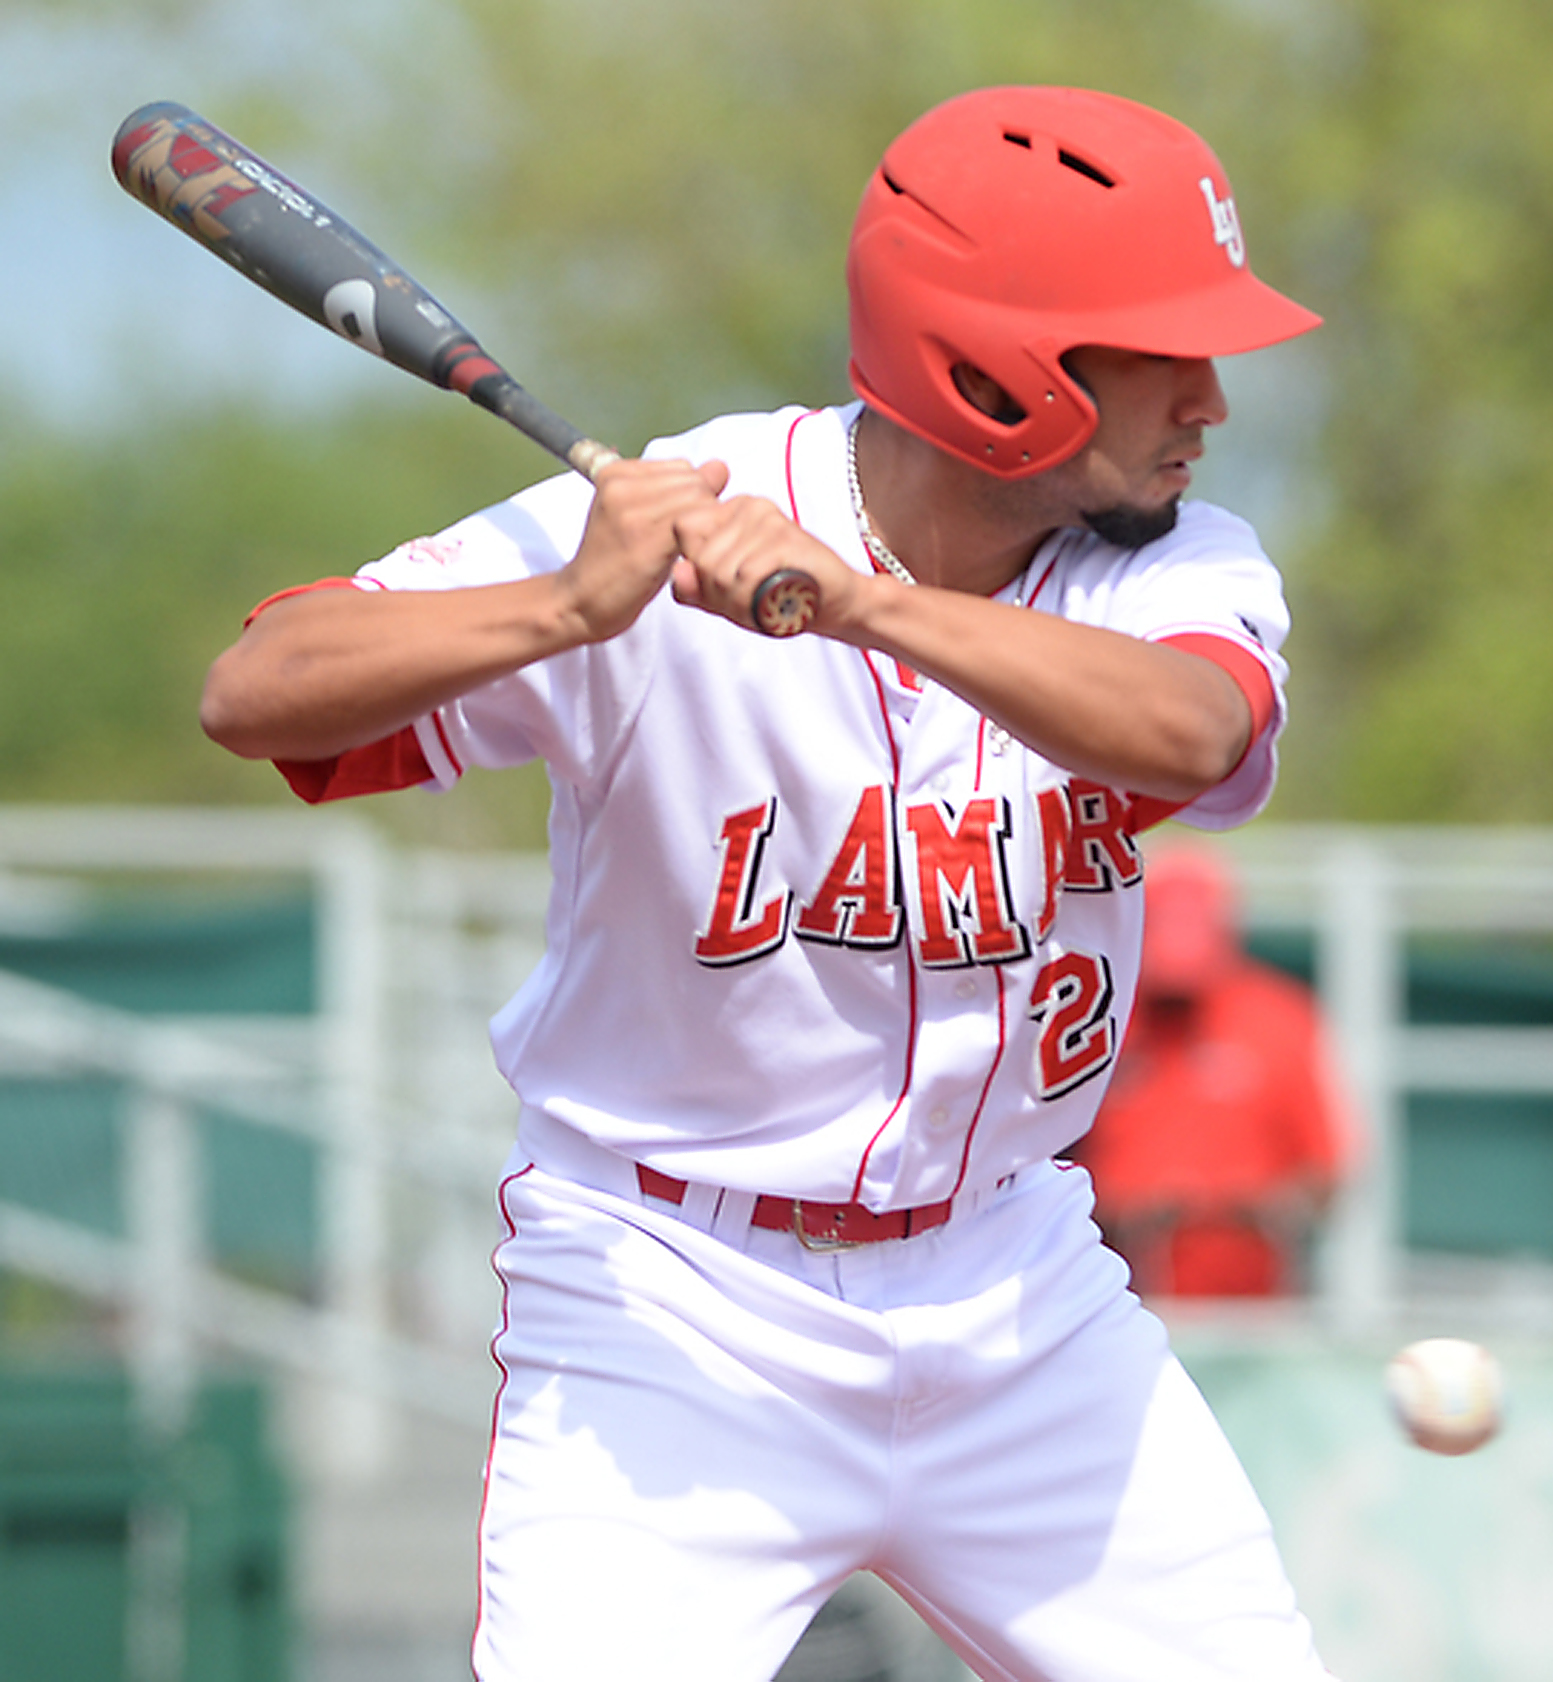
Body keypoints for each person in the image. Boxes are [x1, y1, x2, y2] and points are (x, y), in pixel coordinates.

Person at [200, 87, 1334, 1681]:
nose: (1211, 397)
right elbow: (260, 689)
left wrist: (861, 605)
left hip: (1015, 1290)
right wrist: (568, 608)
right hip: (675, 1306)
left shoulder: (1168, 561)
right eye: (1161, 348)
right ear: (1001, 365)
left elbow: (1190, 728)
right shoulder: (665, 520)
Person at [1071, 840, 1360, 1298]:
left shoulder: (1279, 1018)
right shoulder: (1098, 1017)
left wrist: (1238, 1214)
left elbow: (1328, 1172)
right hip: (1112, 1290)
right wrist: (1127, 1214)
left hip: (1250, 1299)